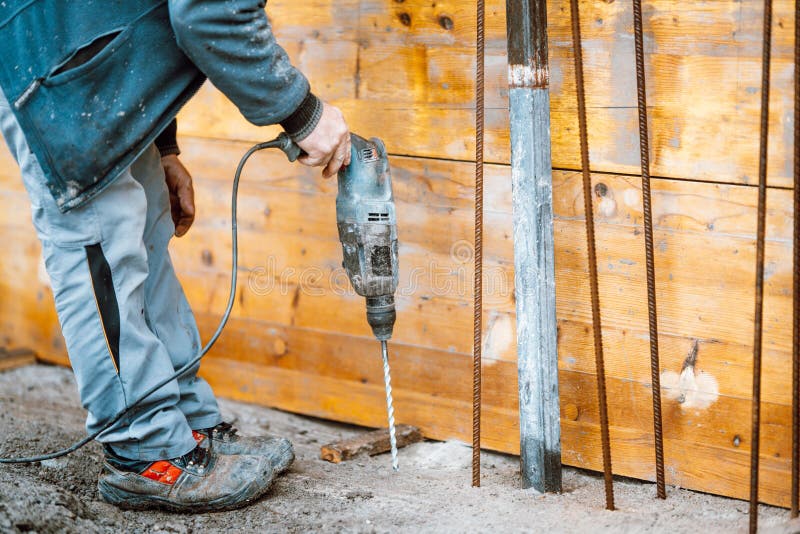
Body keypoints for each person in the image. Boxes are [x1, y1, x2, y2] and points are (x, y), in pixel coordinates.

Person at [0, 0, 351, 512]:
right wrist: (302, 113)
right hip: (45, 57)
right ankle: (147, 450)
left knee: (145, 223)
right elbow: (209, 14)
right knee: (98, 235)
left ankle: (186, 422)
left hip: (90, 52)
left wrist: (162, 147)